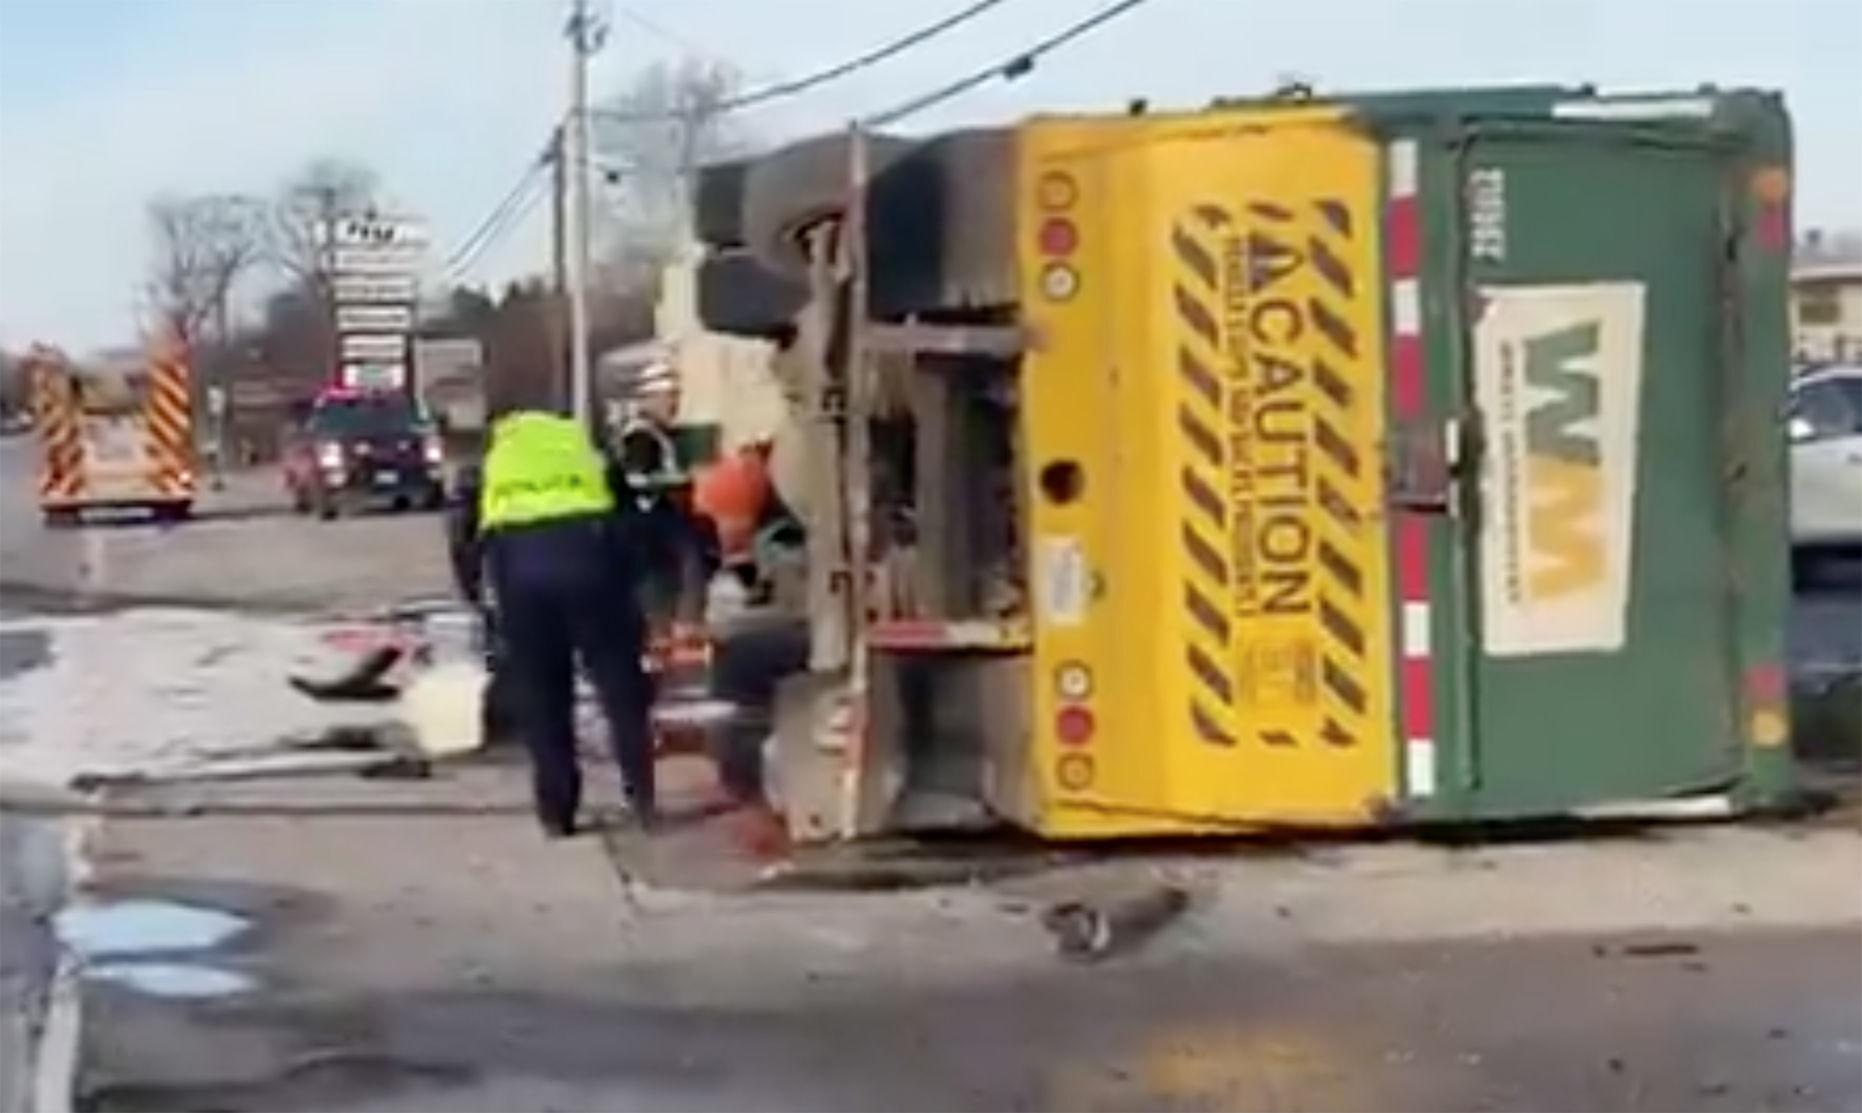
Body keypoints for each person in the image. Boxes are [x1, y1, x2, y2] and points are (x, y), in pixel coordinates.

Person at [448, 389, 657, 838]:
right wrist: (634, 582)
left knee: (543, 697)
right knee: (621, 689)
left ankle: (557, 810)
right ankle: (642, 797)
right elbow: (630, 522)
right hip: (594, 575)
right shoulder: (585, 452)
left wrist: (475, 594)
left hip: (522, 581)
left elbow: (464, 539)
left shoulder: (492, 464)